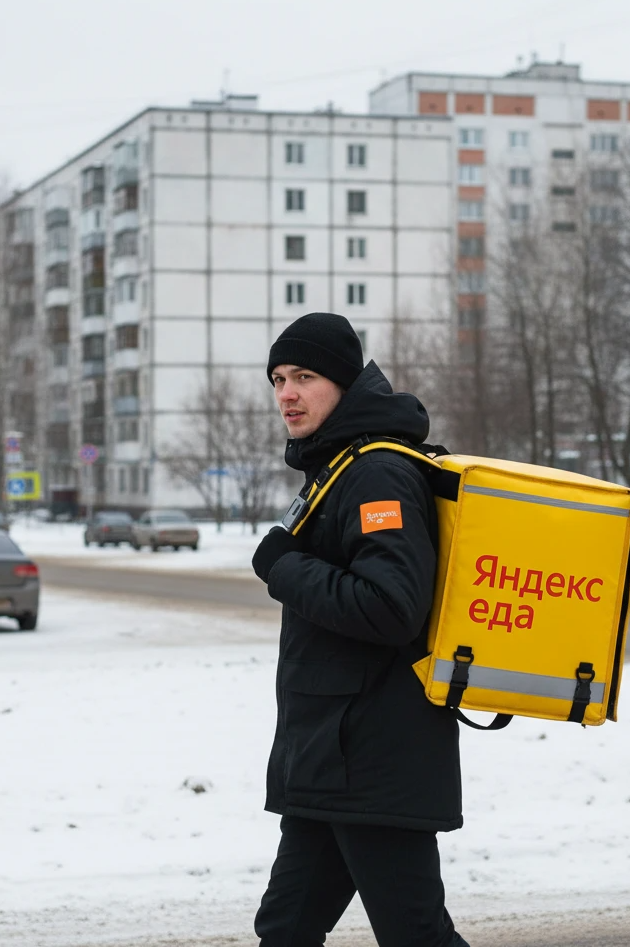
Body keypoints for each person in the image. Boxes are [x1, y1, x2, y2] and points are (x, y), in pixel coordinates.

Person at [251, 313, 467, 947]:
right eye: (278, 378)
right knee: (286, 930)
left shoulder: (376, 474)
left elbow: (389, 606)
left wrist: (285, 567)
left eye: (305, 377)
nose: (286, 394)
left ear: (345, 383)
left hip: (371, 757)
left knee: (415, 933)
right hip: (332, 758)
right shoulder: (340, 465)